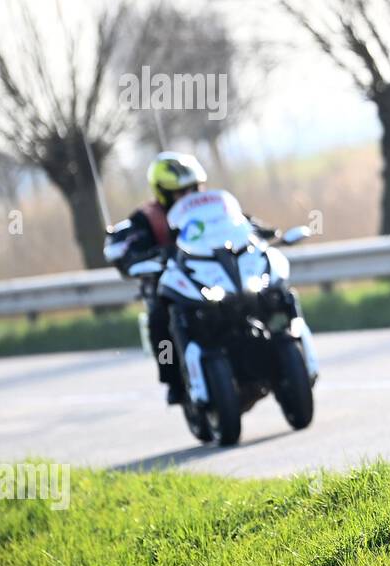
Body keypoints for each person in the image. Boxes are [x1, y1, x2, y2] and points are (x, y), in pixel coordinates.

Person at [103, 152, 275, 405]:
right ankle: (173, 380)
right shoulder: (146, 218)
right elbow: (124, 245)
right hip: (171, 283)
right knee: (159, 320)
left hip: (213, 275)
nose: (190, 195)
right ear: (162, 192)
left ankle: (277, 349)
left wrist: (264, 231)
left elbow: (243, 224)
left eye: (194, 188)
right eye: (180, 192)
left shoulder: (216, 207)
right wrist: (144, 254)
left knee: (263, 293)